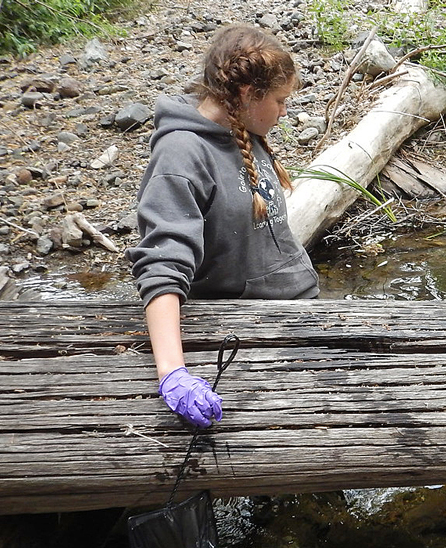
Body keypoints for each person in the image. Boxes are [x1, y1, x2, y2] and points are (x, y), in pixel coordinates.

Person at [126, 24, 319, 429]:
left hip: (299, 309)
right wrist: (172, 374)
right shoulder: (181, 155)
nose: (286, 112)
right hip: (246, 331)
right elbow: (162, 265)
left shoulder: (243, 129)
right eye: (281, 101)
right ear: (248, 94)